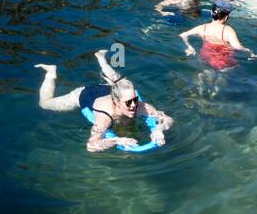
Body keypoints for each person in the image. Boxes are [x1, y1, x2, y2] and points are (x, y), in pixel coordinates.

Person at [35, 49, 173, 152]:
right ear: (116, 102)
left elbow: (167, 119)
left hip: (109, 89)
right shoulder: (104, 117)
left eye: (135, 100)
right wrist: (116, 140)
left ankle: (100, 57)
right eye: (128, 103)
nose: (133, 106)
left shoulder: (140, 106)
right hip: (86, 95)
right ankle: (50, 72)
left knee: (118, 80)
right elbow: (91, 146)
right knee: (44, 104)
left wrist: (159, 129)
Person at [180, 3, 254, 70]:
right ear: (226, 17)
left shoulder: (202, 28)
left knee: (207, 70)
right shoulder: (228, 30)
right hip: (222, 59)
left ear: (211, 13)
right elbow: (237, 47)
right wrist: (250, 52)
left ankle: (205, 75)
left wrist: (189, 47)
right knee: (232, 67)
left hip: (205, 56)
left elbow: (183, 35)